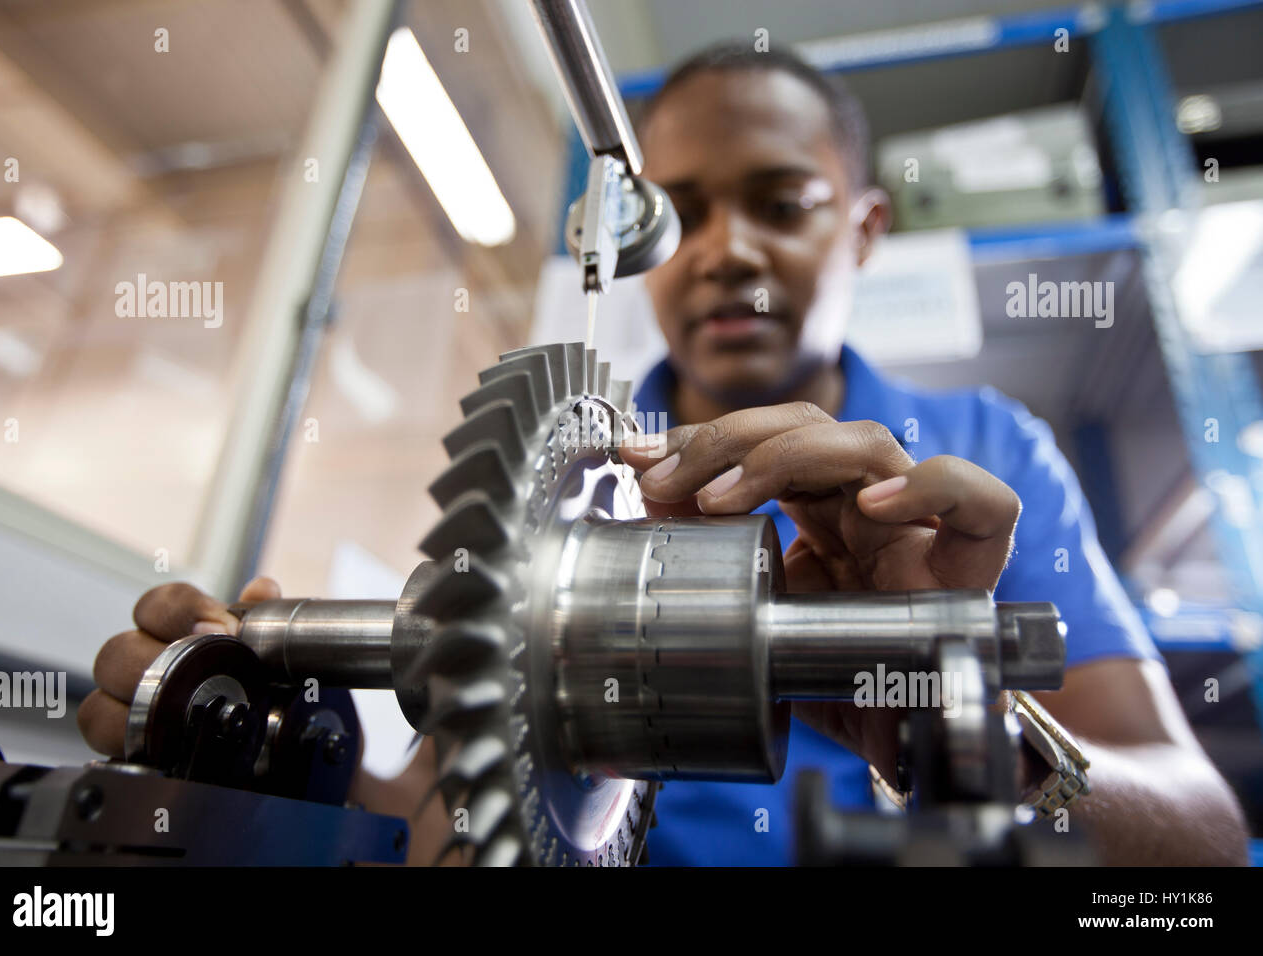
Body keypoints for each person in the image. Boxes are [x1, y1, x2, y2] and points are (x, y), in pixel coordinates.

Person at [79, 42, 1249, 867]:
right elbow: (477, 820)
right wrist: (286, 778)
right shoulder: (551, 481)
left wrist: (976, 746)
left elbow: (1199, 843)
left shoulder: (993, 459)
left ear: (864, 225)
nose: (727, 251)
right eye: (680, 212)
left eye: (782, 202)